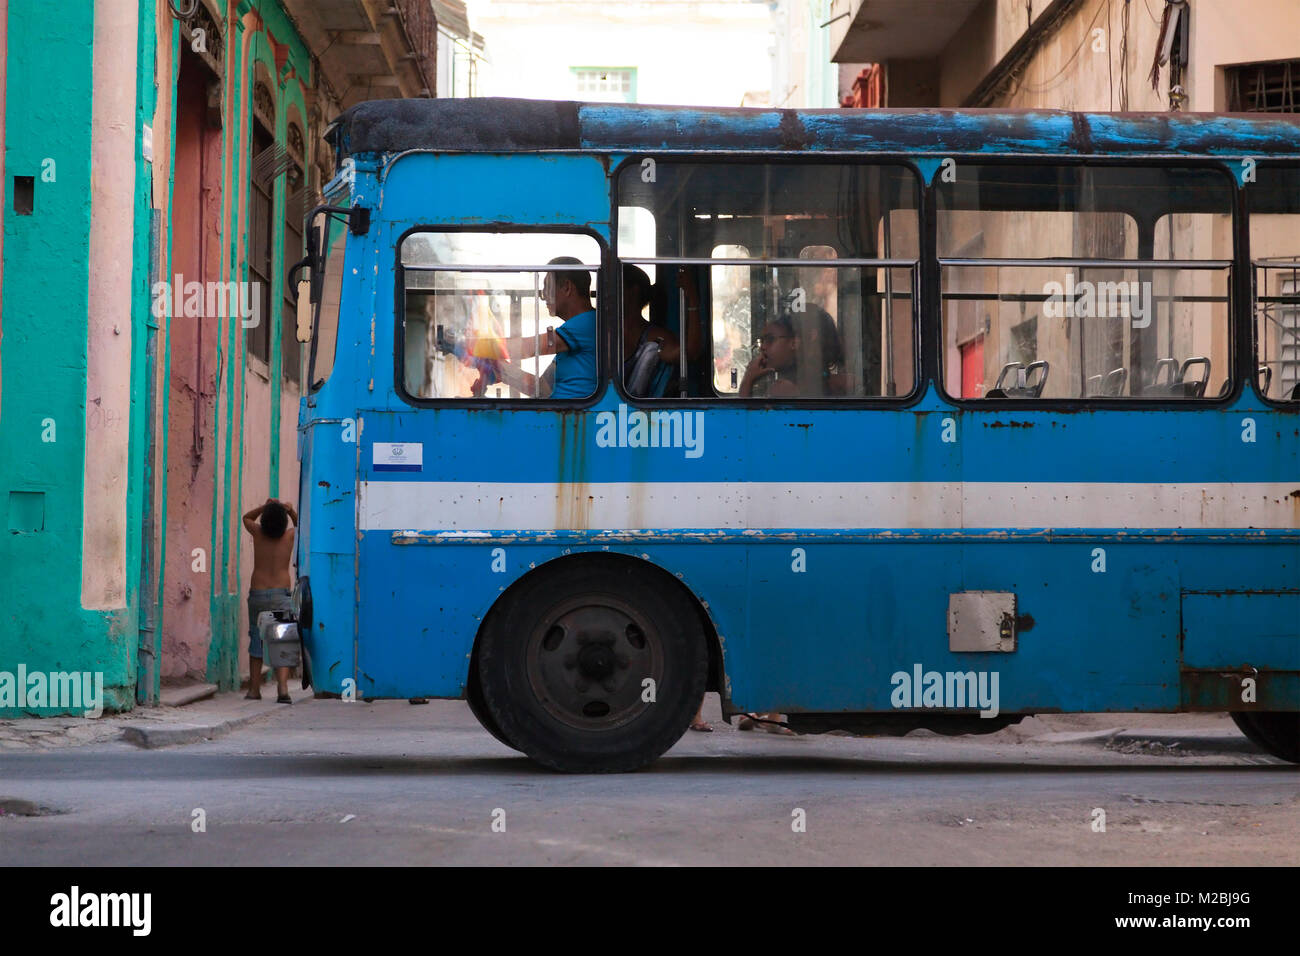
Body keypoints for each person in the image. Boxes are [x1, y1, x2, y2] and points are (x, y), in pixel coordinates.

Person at [490, 257, 598, 399]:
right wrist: (499, 369)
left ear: (566, 287)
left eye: (547, 287)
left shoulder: (586, 323)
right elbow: (542, 389)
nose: (544, 296)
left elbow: (527, 347)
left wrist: (469, 346)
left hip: (572, 417)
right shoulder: (571, 338)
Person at [242, 498, 297, 703]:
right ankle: (282, 689)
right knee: (282, 640)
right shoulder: (289, 537)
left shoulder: (258, 533)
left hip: (258, 594)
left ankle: (254, 689)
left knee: (257, 639)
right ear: (283, 522)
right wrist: (290, 511)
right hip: (280, 595)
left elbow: (246, 517)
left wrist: (264, 507)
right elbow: (302, 527)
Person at [622, 264, 679, 398]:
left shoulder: (656, 337)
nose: (606, 295)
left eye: (612, 287)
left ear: (633, 291)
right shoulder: (600, 330)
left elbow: (691, 352)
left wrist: (692, 298)